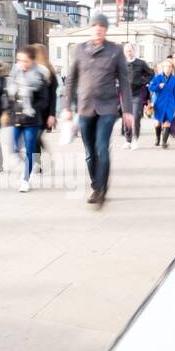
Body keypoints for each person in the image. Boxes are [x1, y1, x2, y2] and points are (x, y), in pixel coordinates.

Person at [63, 13, 133, 207]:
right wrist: (67, 107)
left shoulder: (115, 51)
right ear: (91, 28)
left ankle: (101, 189)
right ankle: (96, 185)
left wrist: (127, 110)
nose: (98, 30)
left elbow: (125, 82)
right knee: (89, 153)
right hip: (85, 108)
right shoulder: (79, 50)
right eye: (95, 27)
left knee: (102, 149)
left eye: (102, 28)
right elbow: (70, 80)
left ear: (106, 30)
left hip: (107, 108)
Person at [8, 47, 51, 193]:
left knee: (30, 151)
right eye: (19, 60)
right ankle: (30, 166)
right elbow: (8, 97)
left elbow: (45, 100)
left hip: (32, 119)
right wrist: (9, 110)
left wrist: (32, 108)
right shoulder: (14, 75)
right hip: (17, 118)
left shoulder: (39, 77)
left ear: (32, 60)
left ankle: (25, 180)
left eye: (25, 61)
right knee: (14, 148)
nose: (22, 63)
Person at [30, 43, 58, 175]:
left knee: (35, 138)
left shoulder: (50, 73)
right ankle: (39, 163)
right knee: (33, 138)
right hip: (33, 111)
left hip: (45, 113)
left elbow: (53, 97)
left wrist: (52, 115)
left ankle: (39, 162)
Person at [121, 42, 153, 150]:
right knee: (127, 118)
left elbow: (151, 73)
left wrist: (144, 81)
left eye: (130, 50)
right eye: (126, 51)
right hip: (125, 94)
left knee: (136, 117)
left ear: (133, 51)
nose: (128, 53)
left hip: (137, 94)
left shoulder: (141, 63)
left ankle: (135, 139)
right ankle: (127, 140)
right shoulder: (121, 63)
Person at [147, 59, 175, 148]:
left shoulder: (174, 80)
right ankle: (158, 139)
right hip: (159, 104)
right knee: (158, 122)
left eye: (170, 67)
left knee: (167, 122)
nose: (168, 69)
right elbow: (150, 88)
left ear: (172, 69)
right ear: (163, 68)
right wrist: (158, 86)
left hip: (170, 104)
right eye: (166, 67)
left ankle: (164, 142)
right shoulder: (158, 78)